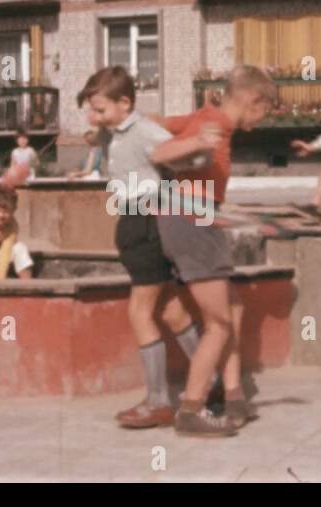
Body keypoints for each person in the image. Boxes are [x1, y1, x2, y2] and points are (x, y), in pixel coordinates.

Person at [149, 64, 276, 436]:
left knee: (232, 307)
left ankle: (234, 398)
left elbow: (155, 122)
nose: (264, 117)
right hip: (190, 224)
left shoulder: (208, 117)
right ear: (253, 101)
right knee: (218, 323)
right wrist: (191, 150)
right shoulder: (214, 126)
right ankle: (191, 410)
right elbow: (159, 150)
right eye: (265, 109)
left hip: (194, 219)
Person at [78, 66, 202, 431]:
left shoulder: (144, 130)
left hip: (143, 221)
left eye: (99, 109)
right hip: (140, 220)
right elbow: (106, 139)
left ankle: (159, 401)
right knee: (169, 307)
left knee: (140, 311)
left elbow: (186, 158)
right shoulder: (118, 131)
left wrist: (194, 154)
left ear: (125, 103)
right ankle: (206, 382)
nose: (93, 116)